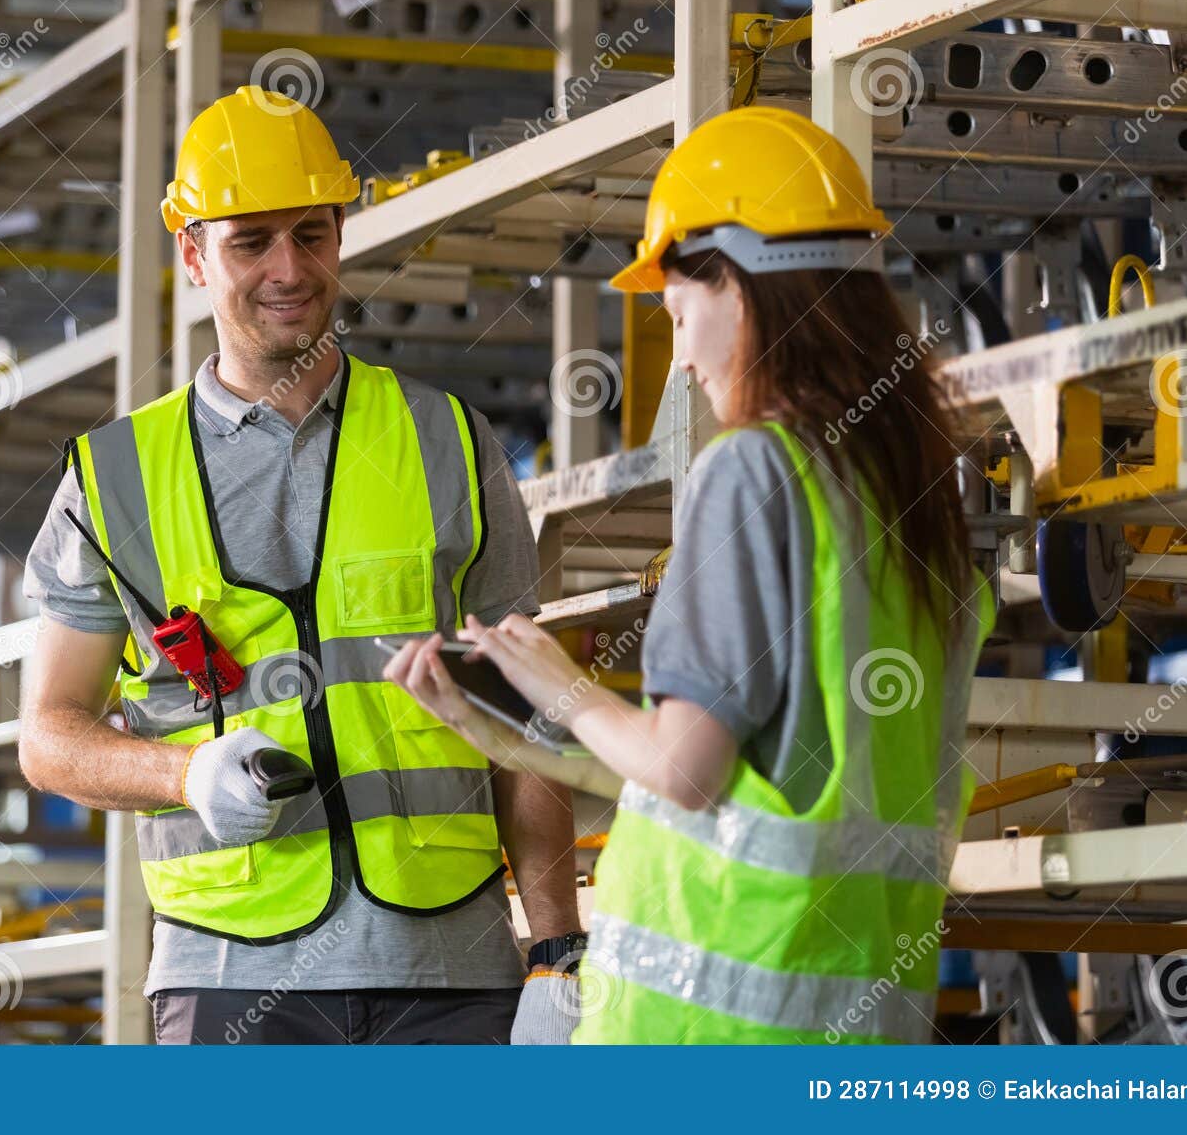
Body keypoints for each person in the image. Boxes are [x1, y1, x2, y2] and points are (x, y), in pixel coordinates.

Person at [383, 106, 996, 1044]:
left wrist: (564, 683)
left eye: (678, 313)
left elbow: (685, 769)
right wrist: (501, 730)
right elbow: (761, 780)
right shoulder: (911, 509)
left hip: (699, 1034)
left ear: (743, 288)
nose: (683, 360)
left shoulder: (753, 470)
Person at [19, 86, 583, 1045]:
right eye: (251, 241)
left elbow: (521, 714)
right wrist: (186, 773)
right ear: (193, 253)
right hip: (228, 971)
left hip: (451, 969)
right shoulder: (114, 476)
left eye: (312, 234)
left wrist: (556, 950)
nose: (290, 269)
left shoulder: (447, 439)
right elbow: (48, 737)